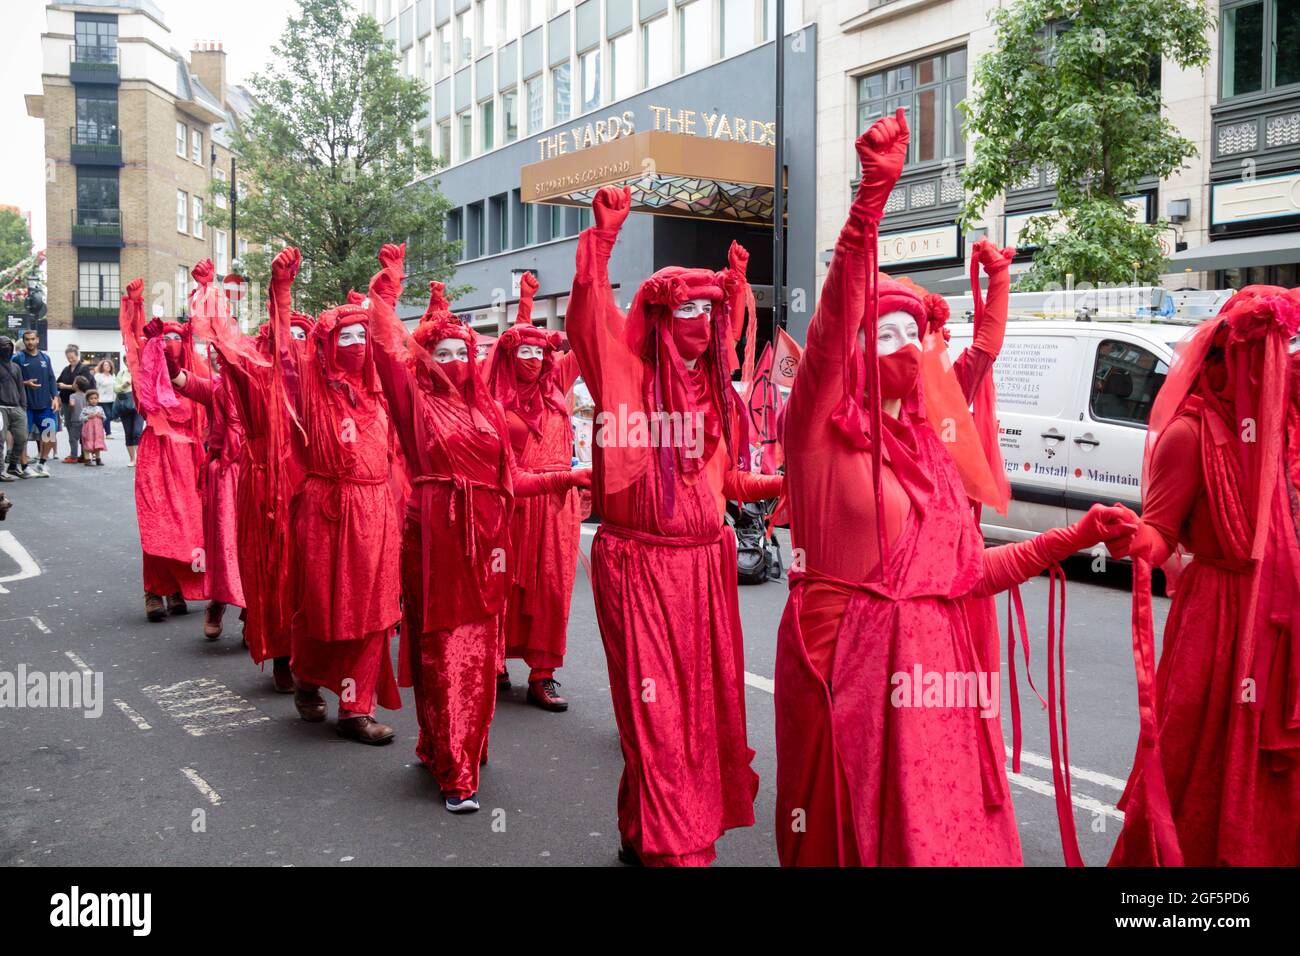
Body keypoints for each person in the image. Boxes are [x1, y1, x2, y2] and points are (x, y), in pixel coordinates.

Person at [772, 110, 1139, 867]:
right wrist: (869, 204)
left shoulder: (939, 454)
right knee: (841, 836)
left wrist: (1076, 538)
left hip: (936, 685)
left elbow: (968, 578)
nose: (902, 348)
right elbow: (837, 318)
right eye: (884, 334)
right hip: (839, 664)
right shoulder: (815, 433)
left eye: (914, 334)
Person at [565, 187, 784, 866]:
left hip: (705, 571)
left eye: (709, 310)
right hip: (640, 570)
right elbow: (590, 321)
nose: (701, 320)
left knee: (695, 719)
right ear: (660, 317)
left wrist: (789, 481)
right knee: (655, 719)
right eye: (688, 307)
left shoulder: (714, 393)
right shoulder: (624, 381)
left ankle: (641, 833)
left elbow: (724, 484)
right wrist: (601, 244)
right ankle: (674, 850)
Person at [365, 244, 590, 811]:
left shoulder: (487, 410)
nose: (455, 361)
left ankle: (453, 740)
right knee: (446, 647)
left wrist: (571, 477)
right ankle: (454, 767)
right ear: (427, 359)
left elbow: (511, 479)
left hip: (490, 537)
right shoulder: (415, 404)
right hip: (437, 536)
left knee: (482, 645)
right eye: (442, 352)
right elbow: (389, 354)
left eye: (462, 352)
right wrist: (389, 290)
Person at [1108, 286, 1300, 867]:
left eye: (1289, 347)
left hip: (1278, 623)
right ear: (1233, 358)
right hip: (1218, 626)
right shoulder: (1190, 435)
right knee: (1203, 755)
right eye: (1276, 349)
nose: (1287, 362)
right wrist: (1133, 537)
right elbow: (1160, 534)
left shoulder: (1286, 430)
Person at [487, 271, 583, 711]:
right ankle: (496, 661)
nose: (532, 358)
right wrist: (524, 304)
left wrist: (582, 283)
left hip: (556, 507)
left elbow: (586, 342)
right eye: (523, 351)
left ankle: (543, 674)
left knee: (550, 589)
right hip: (512, 502)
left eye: (538, 352)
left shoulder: (556, 387)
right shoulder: (496, 398)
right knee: (504, 587)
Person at [119, 279, 208, 622]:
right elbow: (131, 342)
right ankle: (153, 590)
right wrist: (135, 304)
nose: (170, 344)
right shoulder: (147, 374)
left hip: (190, 459)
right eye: (164, 338)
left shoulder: (194, 374)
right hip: (158, 455)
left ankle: (175, 588)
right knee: (158, 523)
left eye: (176, 338)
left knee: (187, 525)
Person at [170, 260, 246, 641]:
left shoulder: (255, 389)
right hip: (221, 474)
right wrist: (171, 364)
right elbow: (187, 384)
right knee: (220, 541)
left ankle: (252, 608)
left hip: (250, 474)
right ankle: (218, 600)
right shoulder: (216, 388)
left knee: (250, 543)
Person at [13, 329, 57, 477]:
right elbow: (10, 379)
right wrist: (25, 383)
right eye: (27, 339)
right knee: (22, 437)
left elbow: (51, 378)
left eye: (32, 339)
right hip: (25, 406)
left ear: (38, 340)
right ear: (24, 341)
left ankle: (42, 463)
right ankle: (25, 466)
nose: (30, 342)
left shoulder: (45, 358)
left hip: (44, 405)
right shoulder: (18, 358)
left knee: (49, 434)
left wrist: (55, 397)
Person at [57, 345, 94, 463]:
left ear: (77, 356)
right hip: (66, 400)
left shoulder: (83, 368)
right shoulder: (66, 369)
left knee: (83, 427)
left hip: (80, 401)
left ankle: (84, 453)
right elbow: (58, 382)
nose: (70, 360)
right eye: (68, 358)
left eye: (72, 357)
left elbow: (84, 384)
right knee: (69, 426)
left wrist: (66, 386)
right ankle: (74, 452)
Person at [0, 336, 28, 481]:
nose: (7, 349)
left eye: (9, 346)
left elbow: (21, 388)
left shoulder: (15, 367)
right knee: (0, 440)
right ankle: (0, 470)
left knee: (22, 437)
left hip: (16, 407)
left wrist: (23, 407)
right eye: (4, 346)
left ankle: (13, 465)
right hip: (1, 408)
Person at [114, 363, 142, 466]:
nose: (129, 362)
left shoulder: (140, 372)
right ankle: (132, 459)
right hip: (125, 405)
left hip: (138, 405)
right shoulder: (121, 374)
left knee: (137, 432)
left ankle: (140, 458)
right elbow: (115, 389)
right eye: (127, 360)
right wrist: (123, 386)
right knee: (128, 433)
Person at [66, 375, 90, 464]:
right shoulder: (86, 396)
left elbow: (72, 405)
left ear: (76, 385)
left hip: (75, 419)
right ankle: (84, 455)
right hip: (86, 420)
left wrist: (70, 407)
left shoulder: (72, 395)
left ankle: (73, 456)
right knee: (84, 439)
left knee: (73, 439)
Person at [79, 389, 107, 466]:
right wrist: (88, 416)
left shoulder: (100, 408)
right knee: (88, 442)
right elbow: (81, 418)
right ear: (87, 400)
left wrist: (100, 416)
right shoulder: (85, 409)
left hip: (98, 430)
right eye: (91, 398)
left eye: (95, 398)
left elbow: (105, 418)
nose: (93, 400)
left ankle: (98, 459)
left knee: (97, 443)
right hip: (88, 430)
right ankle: (87, 459)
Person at [94, 359, 117, 438]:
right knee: (107, 415)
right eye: (105, 365)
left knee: (110, 416)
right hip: (102, 400)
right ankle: (108, 433)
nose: (107, 366)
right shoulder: (98, 376)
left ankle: (100, 428)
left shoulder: (113, 375)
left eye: (109, 365)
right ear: (102, 367)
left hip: (112, 399)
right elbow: (95, 388)